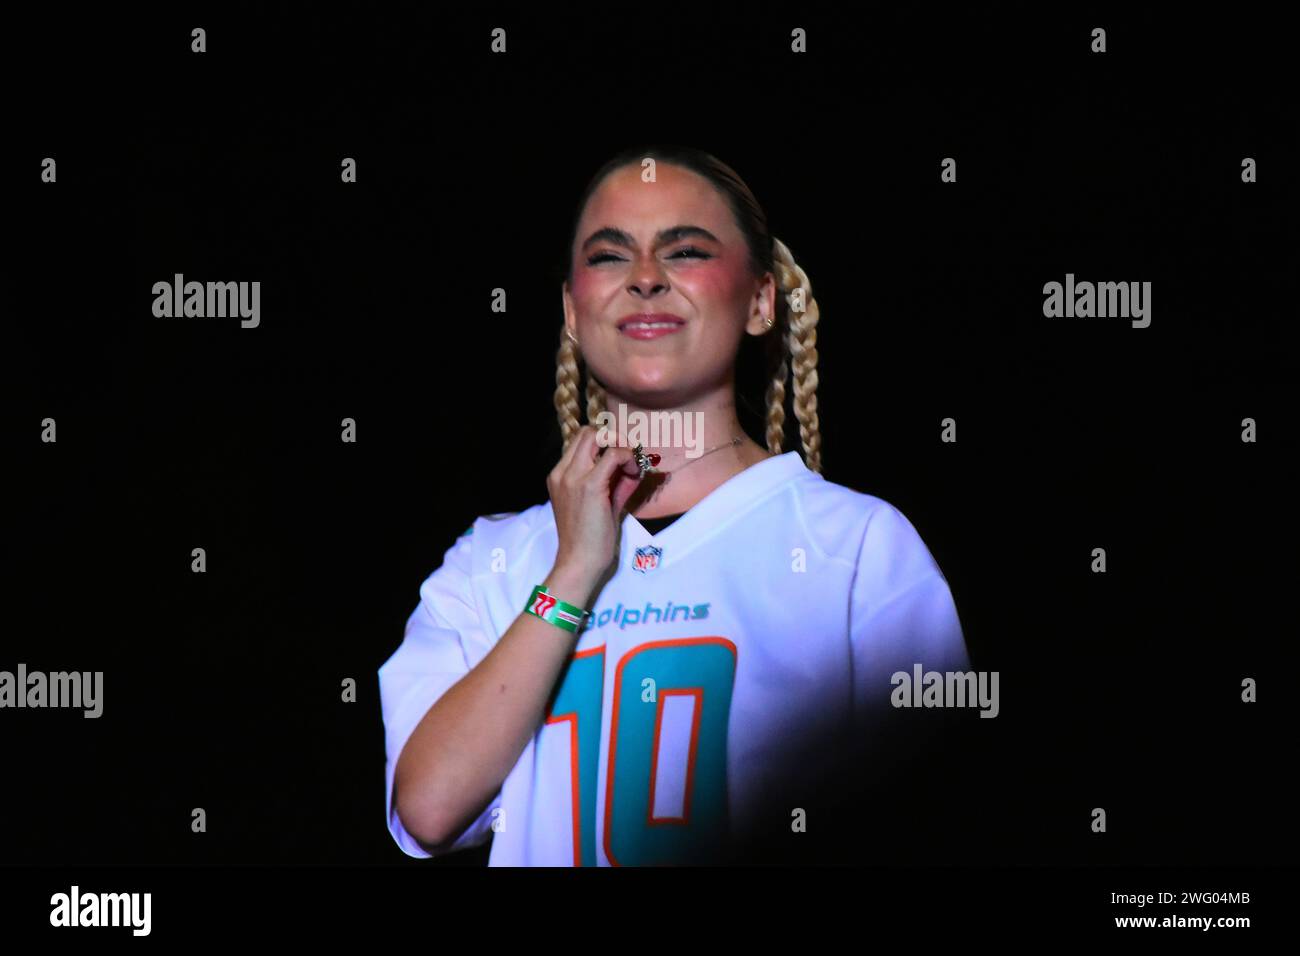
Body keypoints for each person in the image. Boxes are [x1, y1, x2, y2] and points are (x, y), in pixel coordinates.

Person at [378, 144, 971, 866]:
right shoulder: (490, 562)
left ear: (759, 302)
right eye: (609, 256)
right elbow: (431, 811)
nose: (647, 279)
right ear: (571, 309)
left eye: (685, 250)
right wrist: (573, 574)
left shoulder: (856, 547)